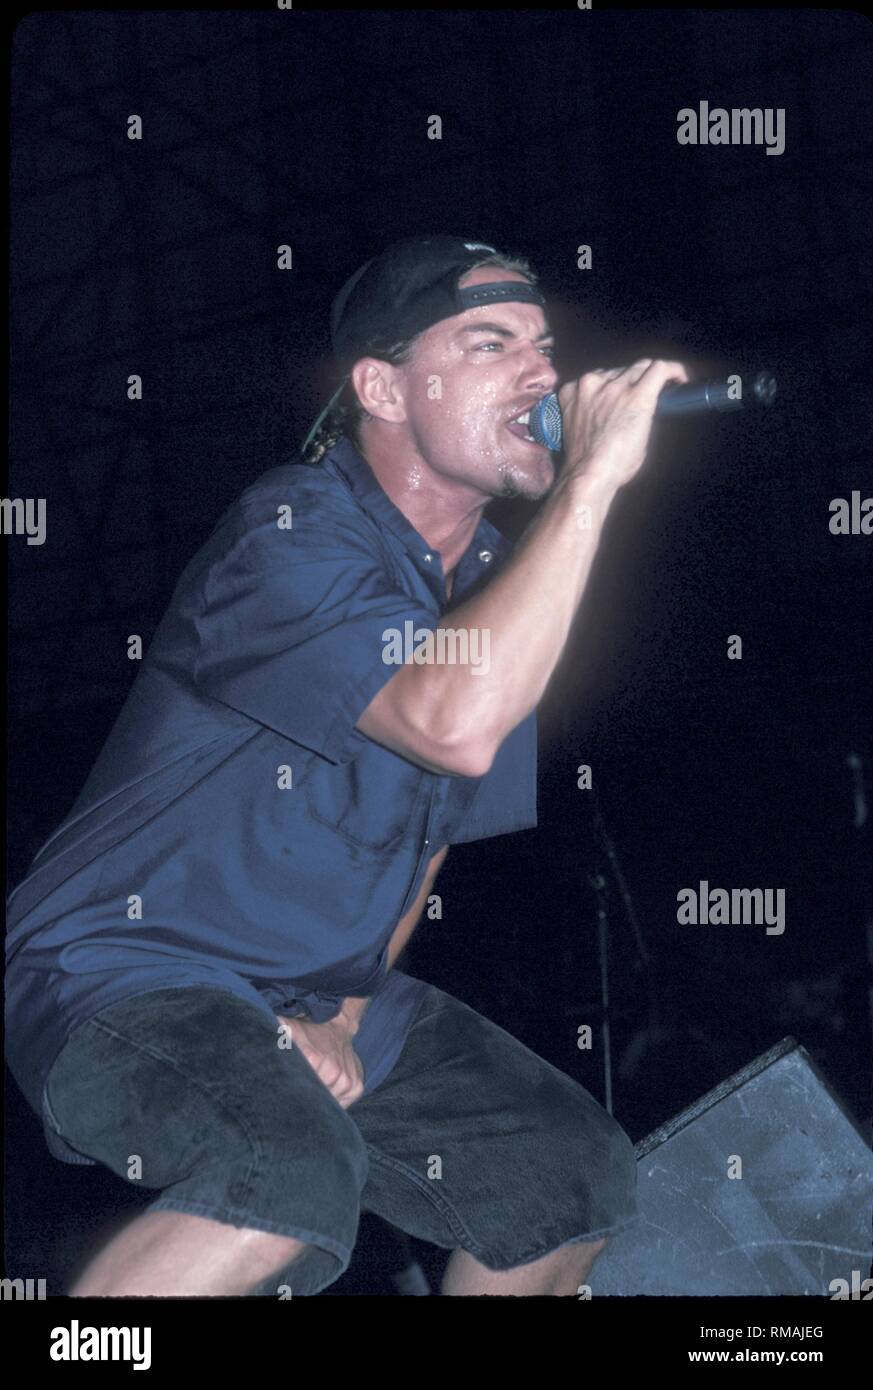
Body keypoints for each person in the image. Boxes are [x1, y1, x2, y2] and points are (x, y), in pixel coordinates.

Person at [5, 234, 688, 1296]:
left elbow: (428, 847)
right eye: (491, 341)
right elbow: (450, 718)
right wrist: (594, 479)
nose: (544, 374)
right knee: (283, 1167)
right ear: (382, 384)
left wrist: (343, 1012)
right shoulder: (286, 535)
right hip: (124, 968)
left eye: (545, 347)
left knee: (571, 1177)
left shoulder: (503, 587)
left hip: (310, 989)